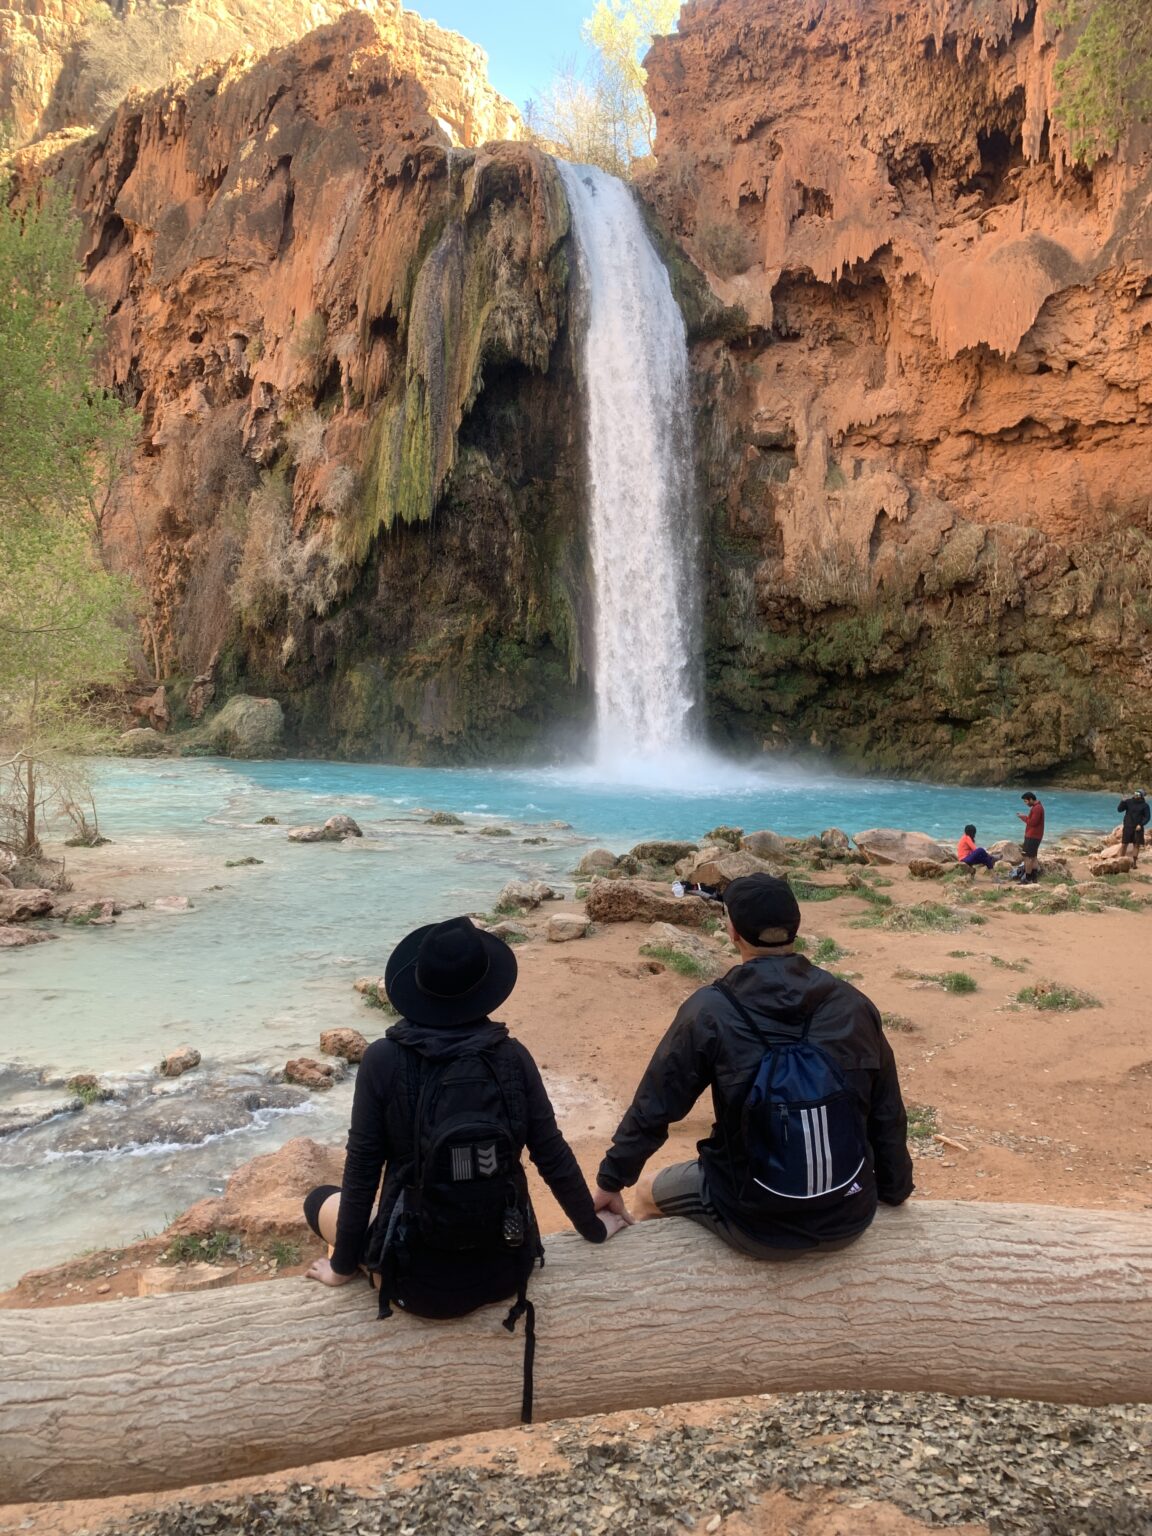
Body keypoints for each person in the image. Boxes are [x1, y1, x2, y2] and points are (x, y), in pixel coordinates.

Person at [304, 917, 625, 1305]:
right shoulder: (511, 1056)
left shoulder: (382, 1060)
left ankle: (359, 1261)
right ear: (484, 989)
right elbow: (552, 1154)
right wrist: (593, 1228)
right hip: (506, 1270)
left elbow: (362, 1170)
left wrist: (340, 1267)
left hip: (415, 1285)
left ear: (417, 985)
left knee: (319, 1199)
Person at [593, 875, 914, 1258]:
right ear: (795, 927)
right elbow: (887, 1111)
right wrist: (894, 1191)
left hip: (753, 1223)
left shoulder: (710, 1010)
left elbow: (655, 1106)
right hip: (849, 1214)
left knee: (647, 1192)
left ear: (733, 932)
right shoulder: (853, 1004)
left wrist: (610, 1182)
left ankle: (656, 1268)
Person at [1017, 792, 1045, 883]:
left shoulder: (1037, 808)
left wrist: (1023, 817)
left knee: (1027, 857)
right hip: (1036, 836)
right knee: (1033, 857)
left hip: (1032, 836)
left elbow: (1033, 822)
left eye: (1026, 801)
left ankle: (1027, 878)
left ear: (1031, 799)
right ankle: (1033, 877)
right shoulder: (1038, 807)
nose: (1026, 804)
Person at [1117, 790, 1149, 866]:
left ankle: (1134, 863)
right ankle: (1120, 860)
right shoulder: (1128, 802)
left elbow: (1147, 817)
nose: (1135, 795)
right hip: (1128, 826)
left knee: (1136, 845)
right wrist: (1123, 801)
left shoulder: (1145, 805)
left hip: (1138, 828)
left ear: (1141, 796)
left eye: (1137, 794)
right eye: (1135, 793)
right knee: (1124, 844)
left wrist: (1141, 824)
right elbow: (1119, 810)